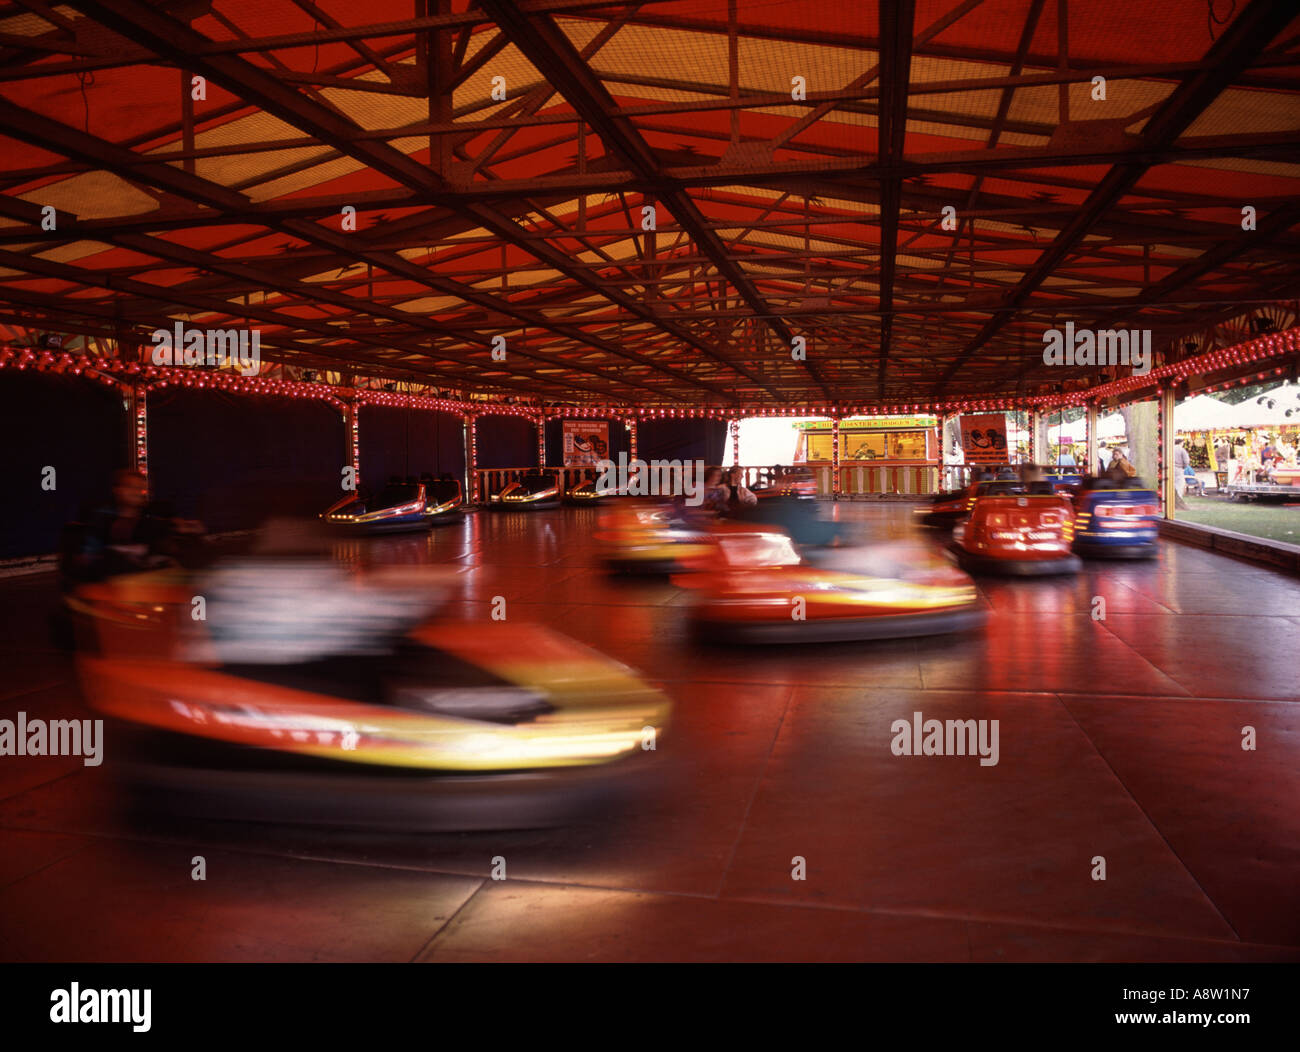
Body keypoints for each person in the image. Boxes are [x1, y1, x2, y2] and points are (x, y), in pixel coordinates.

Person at [1173, 436, 1190, 508]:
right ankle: (1178, 501)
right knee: (1179, 485)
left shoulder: (1170, 449)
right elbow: (1186, 461)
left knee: (1171, 484)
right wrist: (1184, 467)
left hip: (1170, 468)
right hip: (1178, 469)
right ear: (1181, 442)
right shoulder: (1182, 450)